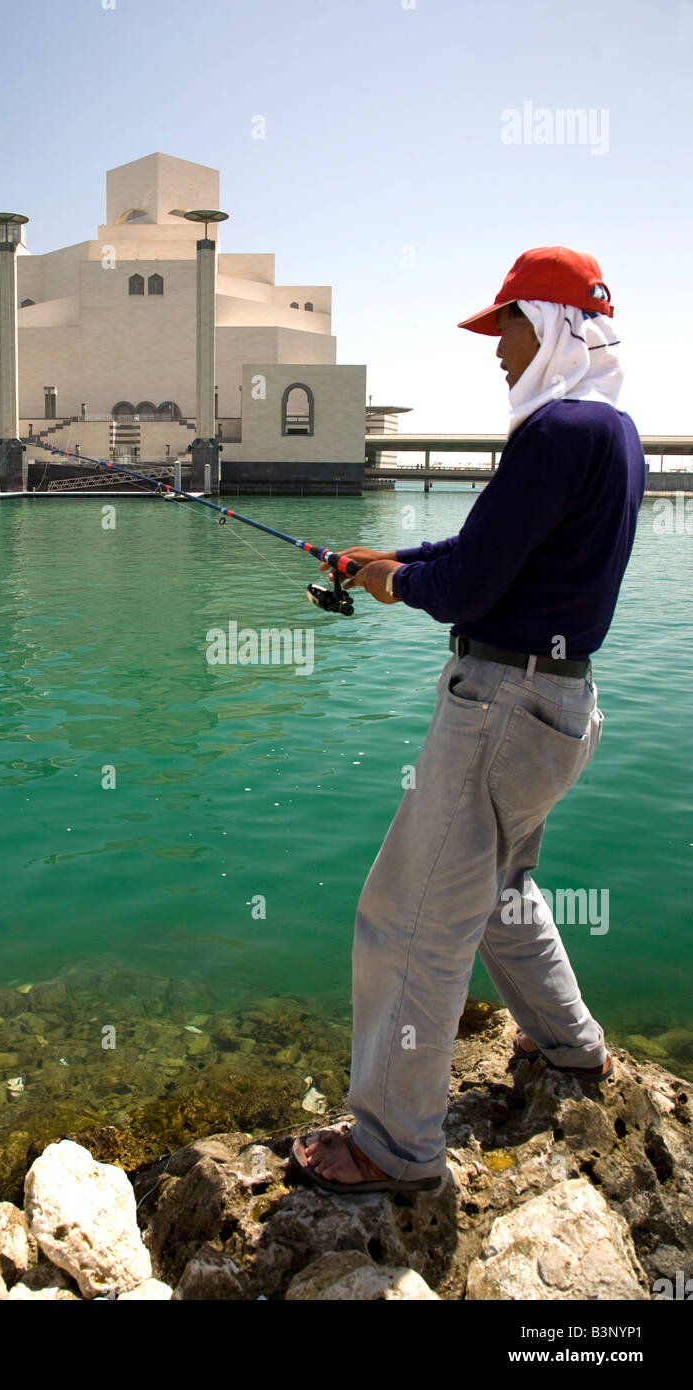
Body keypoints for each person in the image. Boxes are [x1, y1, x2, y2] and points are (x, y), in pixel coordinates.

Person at [292, 246, 646, 1195]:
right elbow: (487, 545)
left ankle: (393, 1146)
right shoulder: (612, 431)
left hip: (499, 708)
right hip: (564, 708)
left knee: (409, 918)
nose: (496, 349)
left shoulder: (554, 432)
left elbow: (471, 582)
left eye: (508, 326)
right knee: (499, 891)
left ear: (555, 322)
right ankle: (574, 1046)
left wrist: (397, 583)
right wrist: (390, 556)